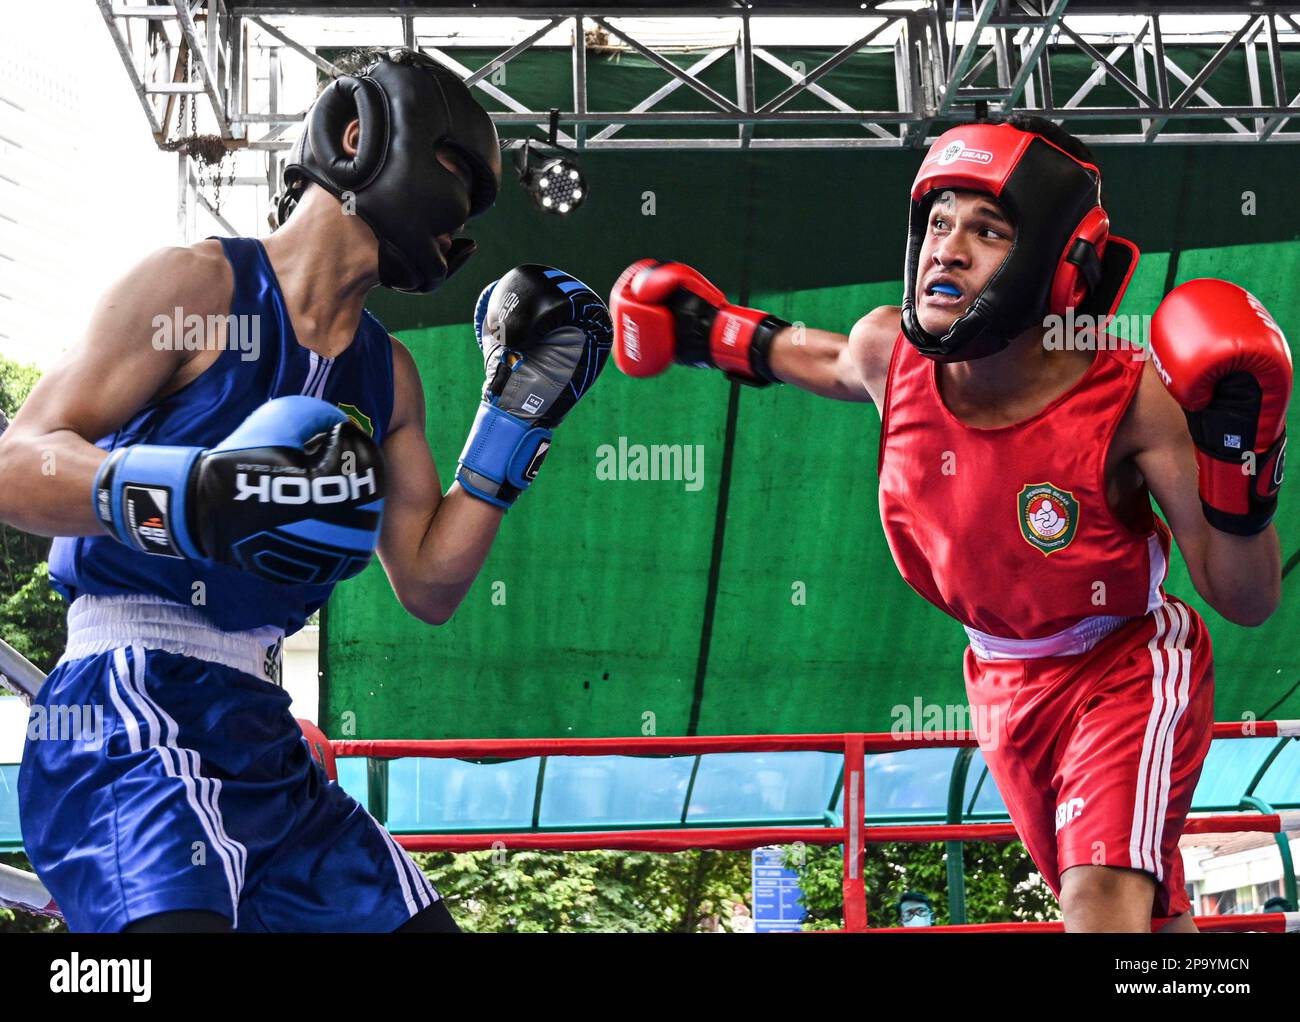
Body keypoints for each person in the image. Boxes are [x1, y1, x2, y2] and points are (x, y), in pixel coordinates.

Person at [608, 115, 1291, 933]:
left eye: (988, 230)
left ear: (1062, 264)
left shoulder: (1128, 398)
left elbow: (1246, 599)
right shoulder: (884, 355)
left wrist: (1241, 464)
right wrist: (692, 327)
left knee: (1099, 902)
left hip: (1126, 667)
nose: (948, 249)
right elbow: (802, 354)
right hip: (1001, 685)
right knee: (1145, 922)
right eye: (937, 223)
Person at [0, 47, 611, 932]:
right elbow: (18, 466)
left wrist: (517, 417)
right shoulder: (198, 285)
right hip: (124, 709)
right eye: (456, 175)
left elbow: (431, 586)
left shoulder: (388, 376)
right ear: (360, 137)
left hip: (262, 738)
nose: (465, 221)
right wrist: (197, 492)